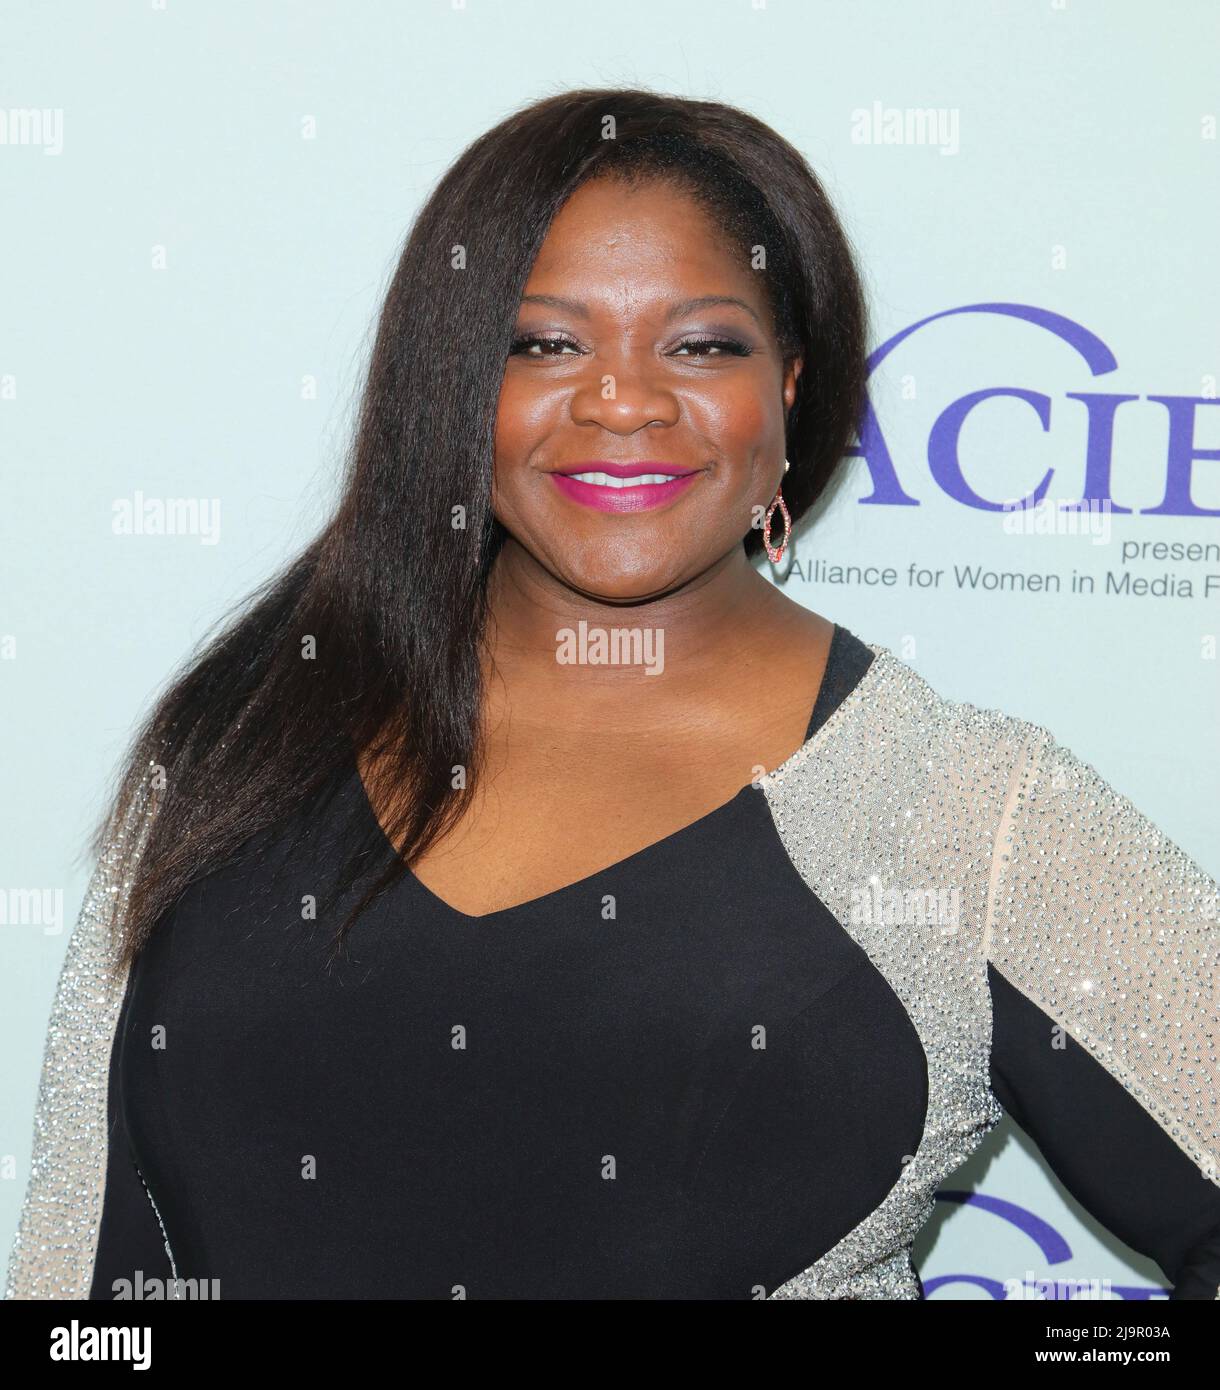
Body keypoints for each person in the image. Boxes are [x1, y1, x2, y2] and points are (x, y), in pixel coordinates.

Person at [6, 88, 1218, 1301]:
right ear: (452, 383)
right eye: (542, 343)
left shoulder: (961, 812)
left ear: (791, 385)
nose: (620, 401)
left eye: (700, 344)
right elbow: (84, 1270)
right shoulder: (242, 745)